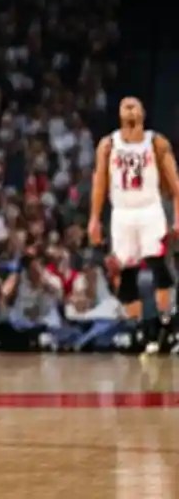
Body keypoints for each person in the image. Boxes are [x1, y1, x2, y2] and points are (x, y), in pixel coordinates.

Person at [88, 97, 179, 354]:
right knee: (126, 275)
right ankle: (141, 329)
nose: (129, 107)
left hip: (149, 208)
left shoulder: (157, 142)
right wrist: (94, 218)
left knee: (158, 265)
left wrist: (177, 217)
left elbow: (176, 186)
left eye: (134, 104)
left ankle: (167, 322)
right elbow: (99, 185)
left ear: (144, 112)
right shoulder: (107, 145)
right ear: (118, 113)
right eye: (124, 104)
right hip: (122, 213)